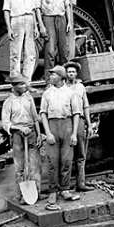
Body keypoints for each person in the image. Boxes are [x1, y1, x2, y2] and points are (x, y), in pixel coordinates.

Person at [40, 65, 81, 210]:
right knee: (52, 161)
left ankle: (64, 189)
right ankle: (53, 191)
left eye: (53, 75)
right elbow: (43, 113)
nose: (50, 77)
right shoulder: (47, 94)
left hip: (67, 125)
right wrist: (48, 133)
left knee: (66, 160)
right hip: (52, 126)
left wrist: (74, 133)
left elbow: (76, 113)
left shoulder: (70, 93)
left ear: (61, 77)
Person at [0, 74, 41, 199]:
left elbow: (35, 118)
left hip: (32, 132)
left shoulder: (29, 99)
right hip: (17, 134)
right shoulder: (9, 102)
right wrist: (19, 128)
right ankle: (20, 193)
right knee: (19, 166)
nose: (25, 86)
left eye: (25, 83)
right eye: (22, 84)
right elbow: (6, 123)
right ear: (14, 86)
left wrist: (39, 134)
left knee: (34, 165)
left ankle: (36, 193)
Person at [3, 0, 37, 81]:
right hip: (16, 19)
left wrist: (36, 27)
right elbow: (6, 9)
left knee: (30, 52)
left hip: (29, 19)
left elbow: (33, 9)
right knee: (16, 53)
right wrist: (9, 28)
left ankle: (27, 79)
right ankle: (16, 79)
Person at [35, 0, 71, 71]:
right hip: (48, 18)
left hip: (61, 18)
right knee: (50, 50)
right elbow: (37, 7)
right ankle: (49, 78)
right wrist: (41, 25)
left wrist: (69, 22)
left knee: (63, 50)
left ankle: (65, 76)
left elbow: (67, 4)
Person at [64, 60, 91, 191]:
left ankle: (81, 183)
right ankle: (65, 185)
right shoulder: (62, 88)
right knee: (67, 154)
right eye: (68, 72)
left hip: (80, 121)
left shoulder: (81, 87)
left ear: (76, 73)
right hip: (67, 121)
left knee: (81, 153)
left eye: (73, 72)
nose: (71, 74)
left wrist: (89, 124)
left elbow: (85, 105)